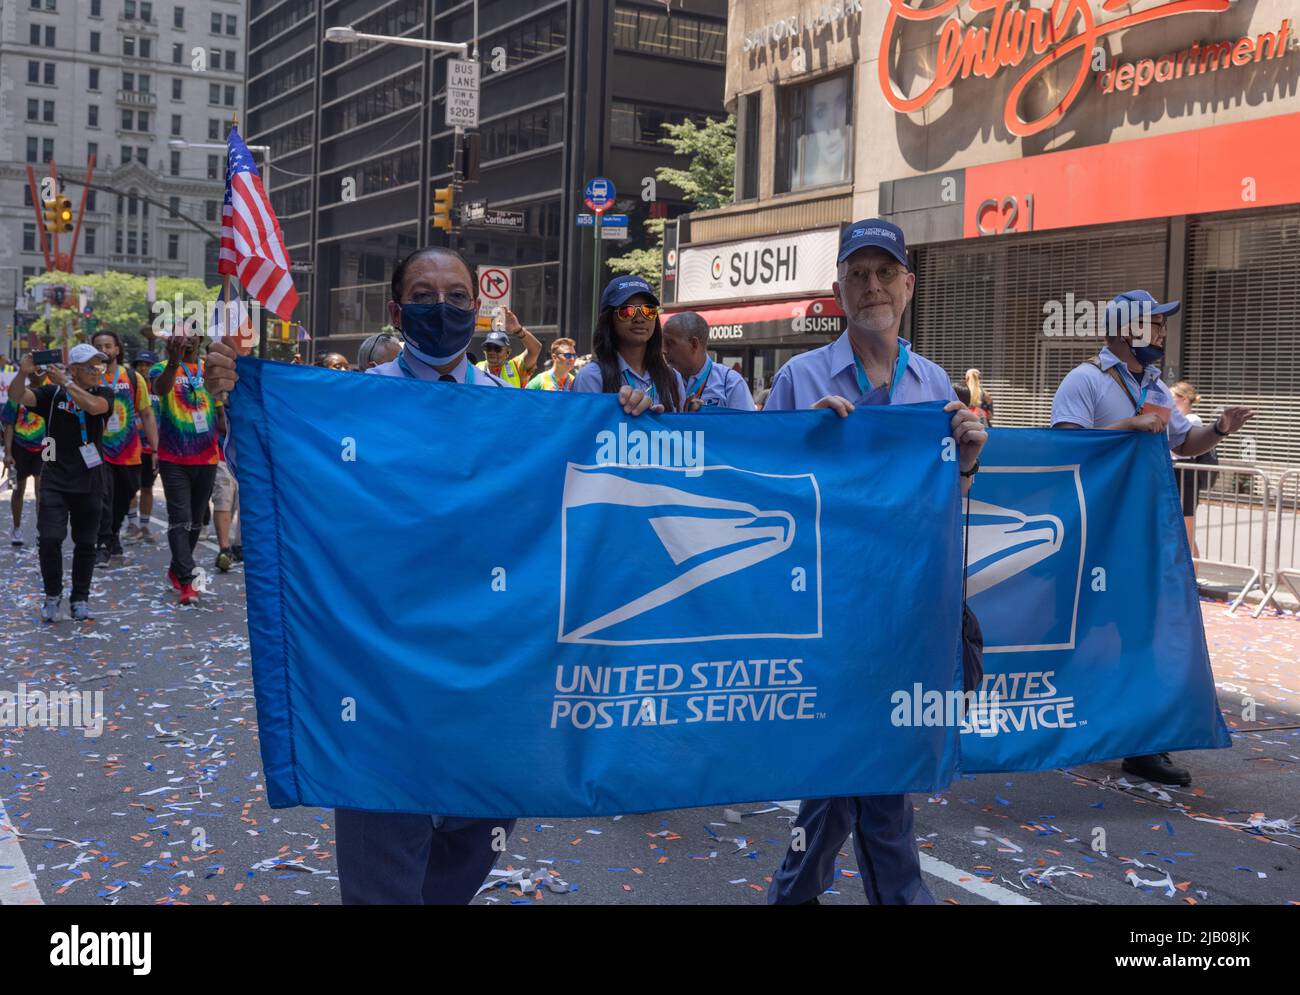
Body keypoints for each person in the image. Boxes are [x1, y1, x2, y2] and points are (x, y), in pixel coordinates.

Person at [205, 246, 662, 904]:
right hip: (382, 690)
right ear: (396, 311)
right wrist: (240, 401)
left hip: (491, 692)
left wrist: (626, 427)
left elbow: (590, 511)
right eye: (424, 293)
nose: (441, 306)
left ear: (476, 310)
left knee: (457, 874)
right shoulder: (353, 405)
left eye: (456, 295)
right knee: (383, 886)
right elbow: (286, 481)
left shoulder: (521, 412)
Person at [764, 219, 987, 906]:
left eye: (884, 272)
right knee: (859, 776)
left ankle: (801, 894)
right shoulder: (800, 378)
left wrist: (969, 463)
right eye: (857, 274)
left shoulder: (935, 382)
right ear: (838, 289)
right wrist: (804, 447)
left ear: (908, 286)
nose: (871, 286)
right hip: (830, 615)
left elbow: (940, 503)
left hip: (906, 614)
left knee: (857, 778)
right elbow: (762, 489)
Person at [1051, 289, 1254, 787]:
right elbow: (1062, 445)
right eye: (1154, 324)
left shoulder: (1159, 389)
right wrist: (1127, 426)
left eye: (1163, 324)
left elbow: (1185, 440)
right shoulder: (1085, 380)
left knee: (1144, 634)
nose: (1162, 333)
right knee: (1087, 634)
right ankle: (1064, 723)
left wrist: (1220, 430)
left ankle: (1143, 744)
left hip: (1145, 532)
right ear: (1125, 330)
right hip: (1097, 532)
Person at [7, 345, 114, 622]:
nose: (96, 372)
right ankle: (52, 595)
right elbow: (17, 395)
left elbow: (92, 408)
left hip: (90, 480)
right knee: (50, 539)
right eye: (90, 367)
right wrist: (23, 372)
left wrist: (65, 382)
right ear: (75, 369)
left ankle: (80, 598)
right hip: (55, 479)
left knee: (86, 544)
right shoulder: (52, 395)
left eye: (99, 366)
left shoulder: (104, 393)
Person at [152, 333, 221, 606]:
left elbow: (220, 410)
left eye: (191, 334)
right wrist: (173, 362)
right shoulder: (162, 367)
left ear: (200, 337)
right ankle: (188, 579)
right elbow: (160, 390)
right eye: (179, 335)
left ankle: (176, 567)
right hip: (174, 457)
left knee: (195, 520)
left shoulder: (210, 370)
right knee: (179, 517)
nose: (186, 340)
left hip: (207, 457)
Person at [91, 330, 158, 566]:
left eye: (108, 345)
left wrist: (156, 449)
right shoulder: (91, 378)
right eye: (99, 346)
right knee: (104, 496)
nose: (105, 350)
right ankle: (102, 544)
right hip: (99, 451)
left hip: (130, 452)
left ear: (117, 349)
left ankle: (112, 535)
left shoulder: (132, 377)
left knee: (125, 495)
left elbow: (147, 413)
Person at [572, 276, 686, 410]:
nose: (639, 318)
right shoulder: (592, 377)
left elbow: (680, 429)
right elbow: (585, 429)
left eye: (648, 311)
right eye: (627, 311)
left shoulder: (672, 378)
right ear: (609, 320)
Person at [662, 311, 756, 411]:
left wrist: (707, 421)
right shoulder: (659, 382)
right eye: (663, 344)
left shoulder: (730, 383)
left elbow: (746, 425)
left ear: (694, 344)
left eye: (670, 343)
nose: (664, 350)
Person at [3, 364, 48, 546]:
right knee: (18, 490)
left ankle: (42, 530)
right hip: (20, 447)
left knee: (43, 491)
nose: (39, 374)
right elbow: (8, 425)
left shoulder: (51, 394)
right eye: (36, 370)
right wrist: (7, 452)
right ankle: (16, 528)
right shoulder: (18, 395)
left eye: (43, 371)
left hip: (45, 447)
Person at [125, 350, 161, 542]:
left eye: (148, 365)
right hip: (133, 446)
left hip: (153, 448)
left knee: (147, 487)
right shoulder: (132, 386)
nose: (144, 368)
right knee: (132, 488)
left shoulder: (161, 388)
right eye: (141, 364)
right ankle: (132, 525)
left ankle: (145, 526)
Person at [477, 308, 541, 387]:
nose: (492, 352)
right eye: (488, 347)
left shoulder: (516, 367)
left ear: (508, 352)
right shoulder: (477, 368)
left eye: (497, 348)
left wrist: (518, 329)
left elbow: (535, 349)